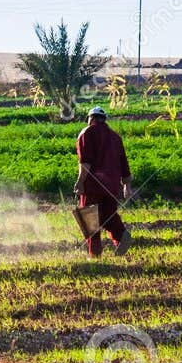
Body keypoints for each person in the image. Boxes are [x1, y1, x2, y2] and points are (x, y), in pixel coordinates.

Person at [75, 105, 132, 258]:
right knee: (109, 214)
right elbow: (124, 163)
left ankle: (95, 254)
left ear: (91, 118)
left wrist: (80, 182)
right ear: (104, 119)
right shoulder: (115, 137)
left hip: (93, 185)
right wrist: (127, 186)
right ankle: (121, 236)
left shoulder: (87, 133)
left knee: (89, 219)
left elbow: (85, 162)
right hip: (112, 186)